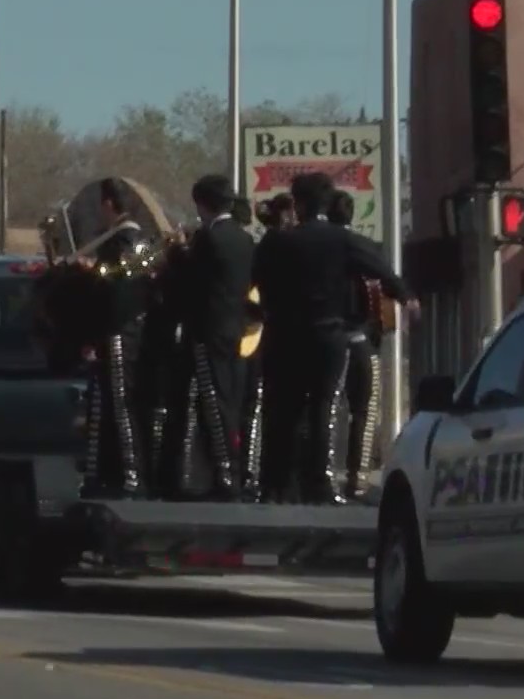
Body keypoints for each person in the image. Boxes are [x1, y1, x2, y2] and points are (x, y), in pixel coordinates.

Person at [251, 173, 414, 505]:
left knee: (284, 409)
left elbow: (258, 282)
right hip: (328, 333)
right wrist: (405, 295)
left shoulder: (279, 241)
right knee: (324, 407)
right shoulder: (343, 240)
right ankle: (321, 482)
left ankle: (277, 483)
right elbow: (380, 269)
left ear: (298, 203)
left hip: (285, 335)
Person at [174, 174, 257, 500]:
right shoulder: (243, 238)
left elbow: (193, 281)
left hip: (208, 329)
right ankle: (229, 470)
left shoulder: (208, 239)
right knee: (230, 398)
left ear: (203, 204)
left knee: (214, 400)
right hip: (234, 328)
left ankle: (224, 473)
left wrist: (180, 253)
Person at [83, 178, 155, 498]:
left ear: (109, 205)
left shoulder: (120, 242)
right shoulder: (143, 240)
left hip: (117, 333)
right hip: (133, 331)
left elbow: (113, 294)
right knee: (116, 405)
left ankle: (129, 475)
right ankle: (114, 472)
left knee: (120, 405)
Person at [327, 189, 387, 500]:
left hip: (328, 338)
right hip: (362, 338)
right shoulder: (368, 249)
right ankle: (358, 477)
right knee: (365, 408)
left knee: (327, 407)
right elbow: (380, 296)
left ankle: (324, 474)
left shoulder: (321, 251)